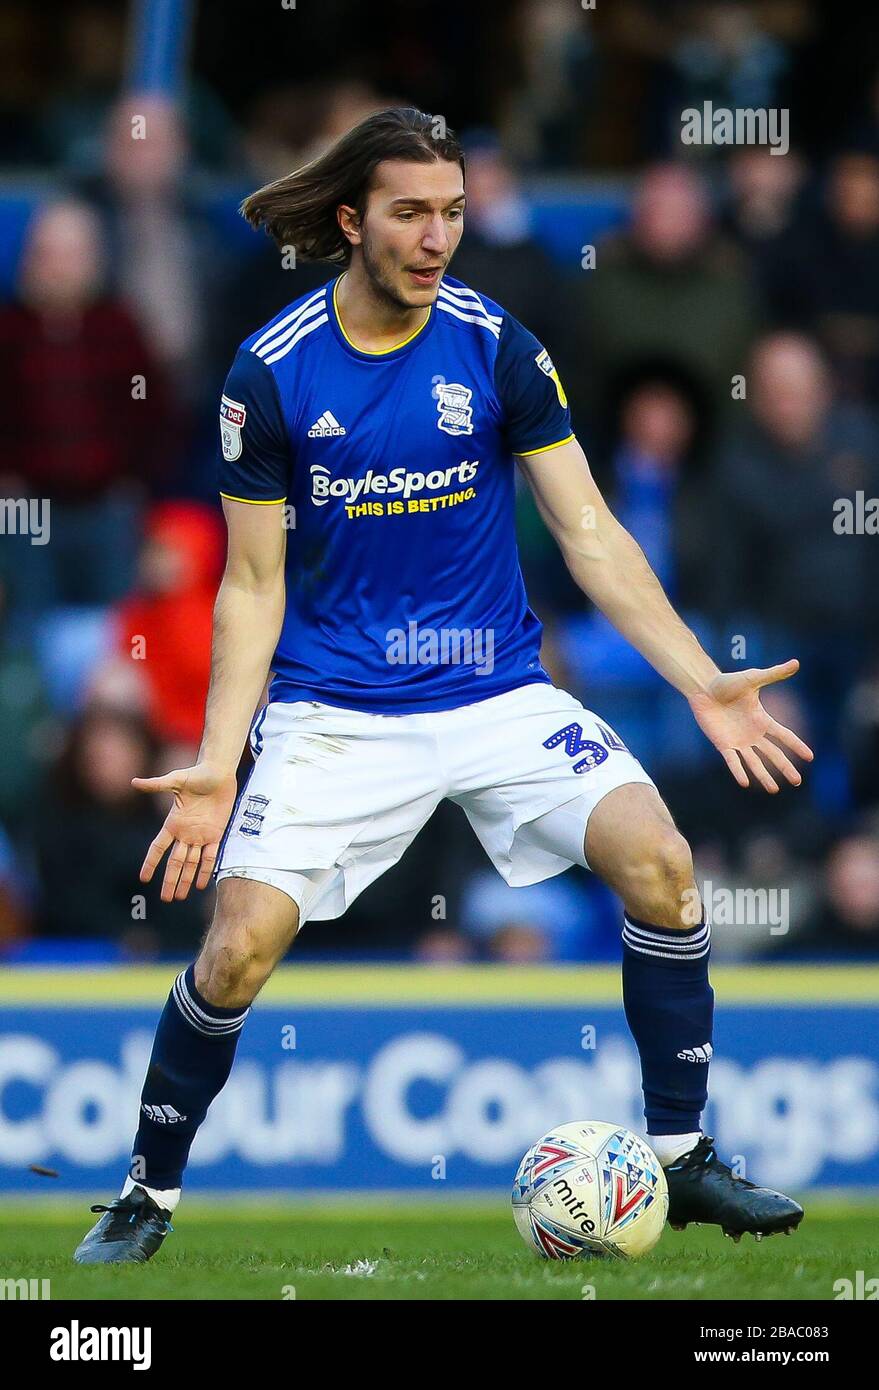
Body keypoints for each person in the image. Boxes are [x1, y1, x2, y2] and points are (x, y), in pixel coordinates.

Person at [75, 108, 812, 1264]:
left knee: (664, 864)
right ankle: (145, 1191)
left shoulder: (497, 344)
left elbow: (590, 531)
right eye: (412, 213)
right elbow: (250, 587)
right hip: (337, 712)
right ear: (352, 219)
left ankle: (681, 1155)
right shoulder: (270, 372)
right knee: (235, 950)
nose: (437, 238)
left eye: (455, 212)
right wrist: (220, 764)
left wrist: (701, 678)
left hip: (498, 696)